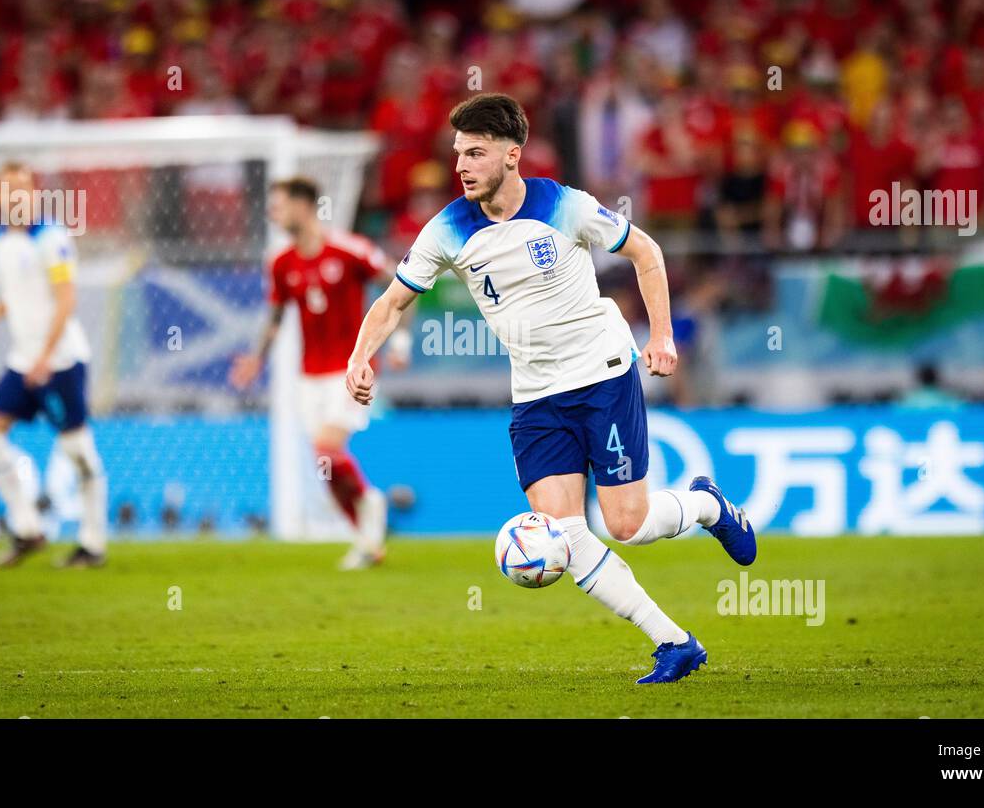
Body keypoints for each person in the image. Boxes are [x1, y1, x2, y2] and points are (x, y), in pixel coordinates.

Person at [345, 93, 757, 684]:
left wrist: (662, 335)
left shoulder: (563, 205)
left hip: (601, 375)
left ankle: (707, 505)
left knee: (627, 525)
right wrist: (362, 356)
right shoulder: (446, 228)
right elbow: (393, 301)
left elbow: (647, 251)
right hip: (535, 395)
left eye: (476, 153)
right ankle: (673, 642)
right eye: (459, 152)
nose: (462, 165)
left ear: (512, 156)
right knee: (564, 536)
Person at [229, 177, 408, 570]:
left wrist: (399, 342)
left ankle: (372, 507)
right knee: (325, 463)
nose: (273, 213)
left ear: (305, 205)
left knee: (328, 449)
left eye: (279, 205)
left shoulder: (349, 249)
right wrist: (257, 357)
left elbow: (401, 287)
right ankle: (367, 539)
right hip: (308, 376)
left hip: (352, 368)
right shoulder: (281, 262)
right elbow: (276, 317)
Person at [0, 162, 107, 568]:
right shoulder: (1, 239)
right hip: (23, 359)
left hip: (60, 361)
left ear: (34, 192)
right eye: (8, 189)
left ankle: (92, 545)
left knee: (77, 450)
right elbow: (19, 293)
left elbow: (66, 299)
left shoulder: (52, 237)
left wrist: (46, 357)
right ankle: (27, 528)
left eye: (23, 188)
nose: (16, 197)